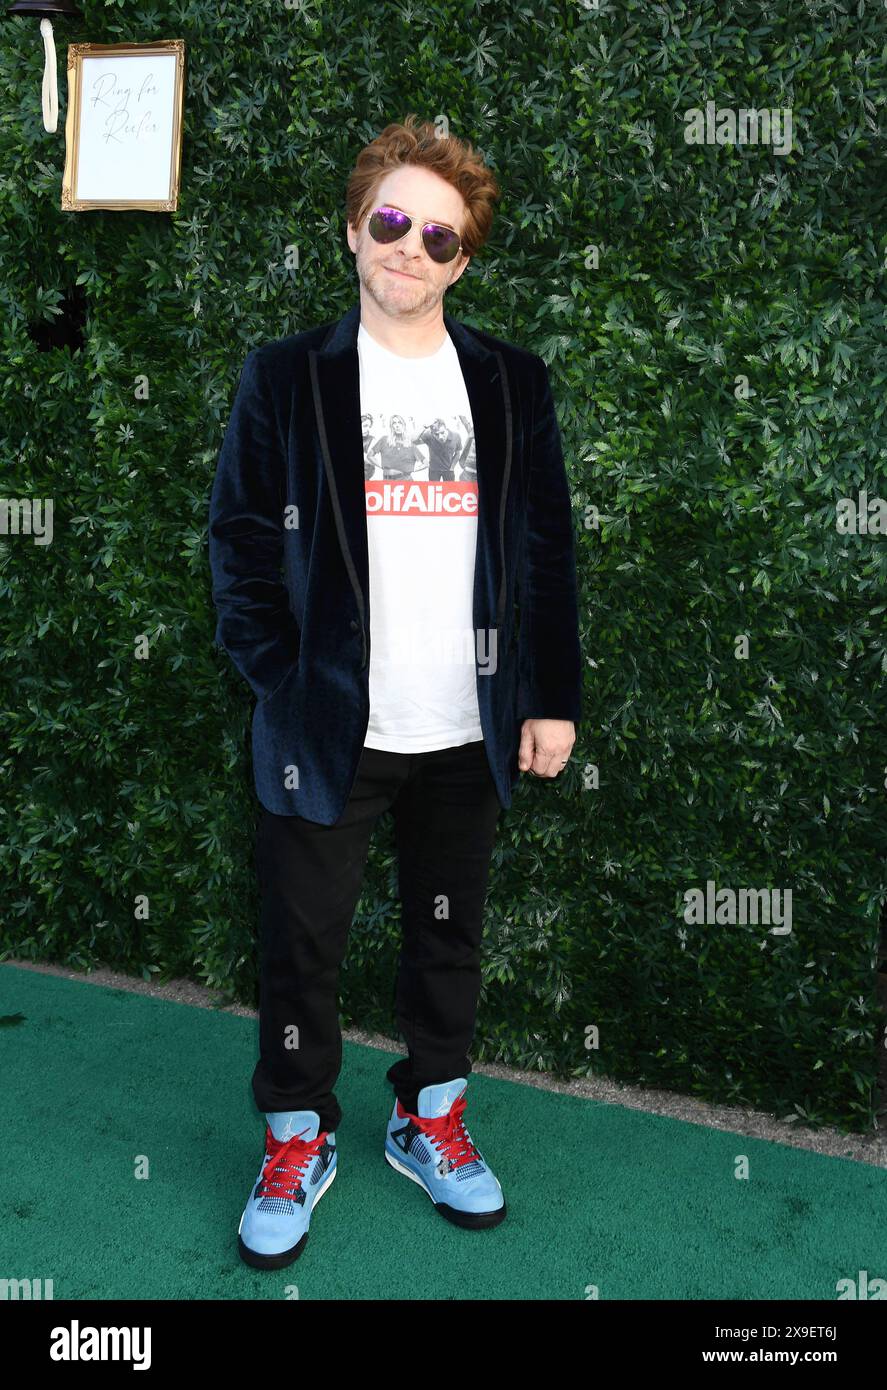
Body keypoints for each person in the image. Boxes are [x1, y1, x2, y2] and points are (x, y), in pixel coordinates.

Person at [209, 114, 582, 1271]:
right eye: (389, 221)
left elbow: (543, 551)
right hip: (327, 728)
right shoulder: (285, 376)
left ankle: (429, 1117)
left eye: (437, 232)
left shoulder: (511, 382)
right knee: (299, 944)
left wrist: (549, 698)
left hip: (464, 727)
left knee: (445, 940)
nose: (408, 246)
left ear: (460, 258)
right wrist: (284, 679)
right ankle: (294, 1135)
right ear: (353, 231)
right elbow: (236, 545)